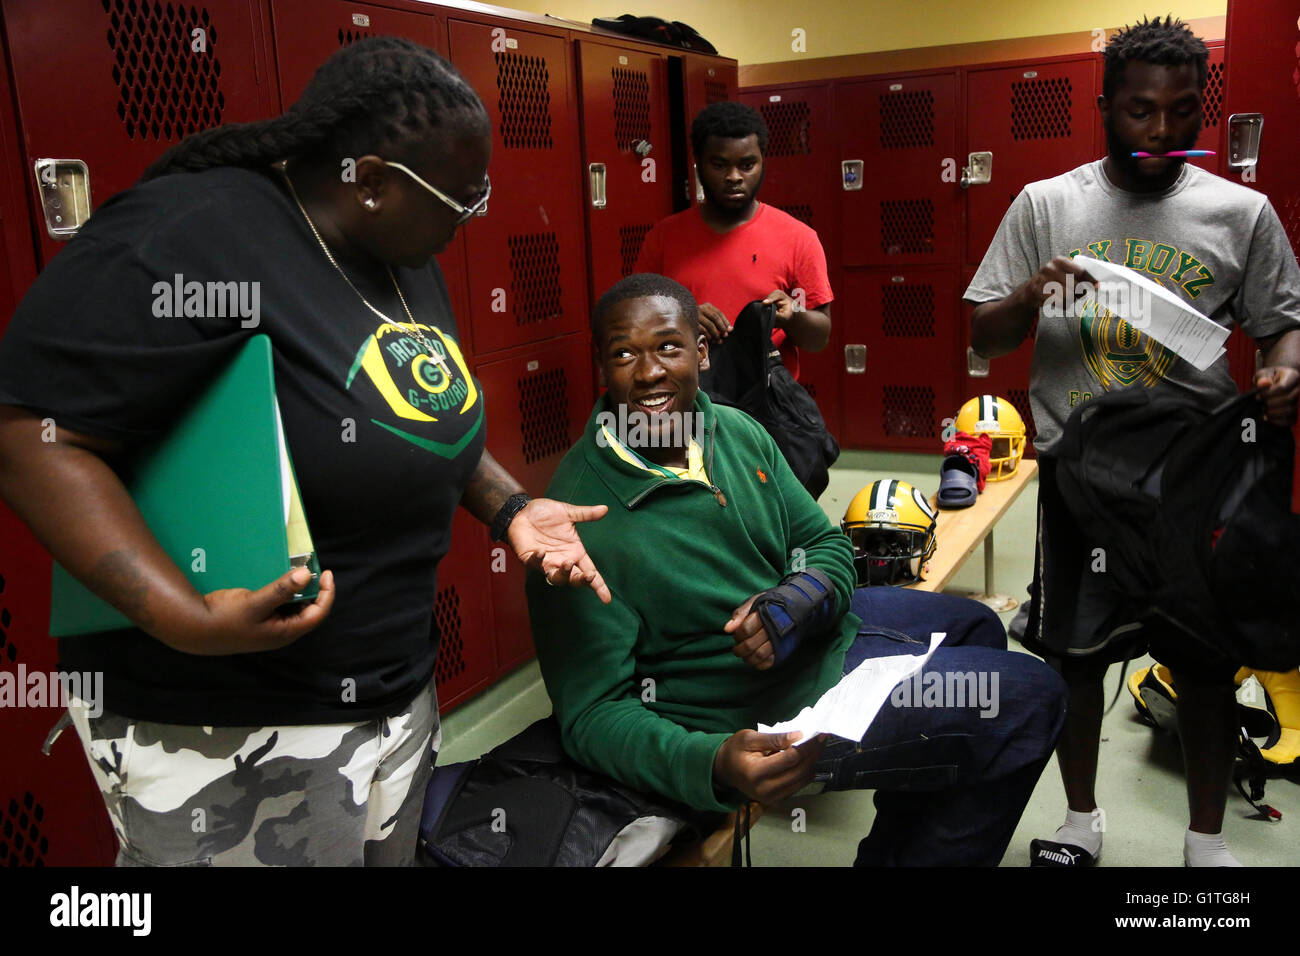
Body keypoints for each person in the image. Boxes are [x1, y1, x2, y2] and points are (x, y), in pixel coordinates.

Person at [0, 37, 608, 867]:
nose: (473, 221)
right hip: (224, 725)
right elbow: (35, 436)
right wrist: (182, 617)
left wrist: (510, 507)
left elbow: (418, 409)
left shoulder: (401, 247)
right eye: (459, 202)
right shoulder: (183, 240)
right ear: (370, 182)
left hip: (388, 692)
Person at [525, 273, 1069, 865]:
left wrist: (797, 598)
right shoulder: (572, 523)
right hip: (749, 717)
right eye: (625, 353)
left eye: (669, 347)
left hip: (809, 639)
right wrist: (710, 761)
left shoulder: (733, 431)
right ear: (602, 365)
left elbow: (823, 543)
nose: (650, 371)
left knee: (977, 627)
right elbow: (591, 715)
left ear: (702, 351)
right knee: (1032, 696)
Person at [965, 16, 1300, 867]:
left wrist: (1284, 372)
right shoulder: (1048, 205)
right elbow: (984, 337)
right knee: (1075, 658)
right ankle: (1081, 822)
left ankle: (1204, 840)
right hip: (1079, 478)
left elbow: (1282, 331)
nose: (1161, 133)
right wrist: (1035, 293)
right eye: (1140, 112)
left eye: (1183, 113)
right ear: (1105, 105)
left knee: (1203, 663)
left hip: (1193, 481)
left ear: (1201, 112)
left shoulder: (1241, 213)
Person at [633, 101, 831, 382]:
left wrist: (792, 316)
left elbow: (818, 338)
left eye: (747, 165)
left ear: (763, 160)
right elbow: (632, 324)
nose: (734, 177)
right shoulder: (663, 238)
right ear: (699, 164)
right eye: (719, 164)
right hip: (685, 400)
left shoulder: (799, 238)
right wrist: (681, 318)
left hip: (765, 409)